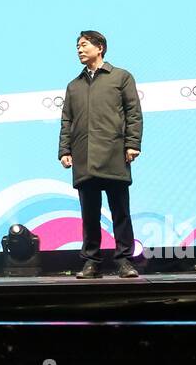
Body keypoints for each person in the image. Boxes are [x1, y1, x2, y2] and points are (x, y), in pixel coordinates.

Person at [59, 31, 143, 279]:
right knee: (89, 214)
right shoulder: (74, 85)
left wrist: (132, 144)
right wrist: (65, 150)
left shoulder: (121, 77)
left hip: (114, 153)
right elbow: (67, 120)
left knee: (120, 211)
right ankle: (92, 262)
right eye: (77, 46)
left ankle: (125, 260)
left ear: (100, 47)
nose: (79, 50)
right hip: (84, 157)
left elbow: (133, 113)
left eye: (84, 45)